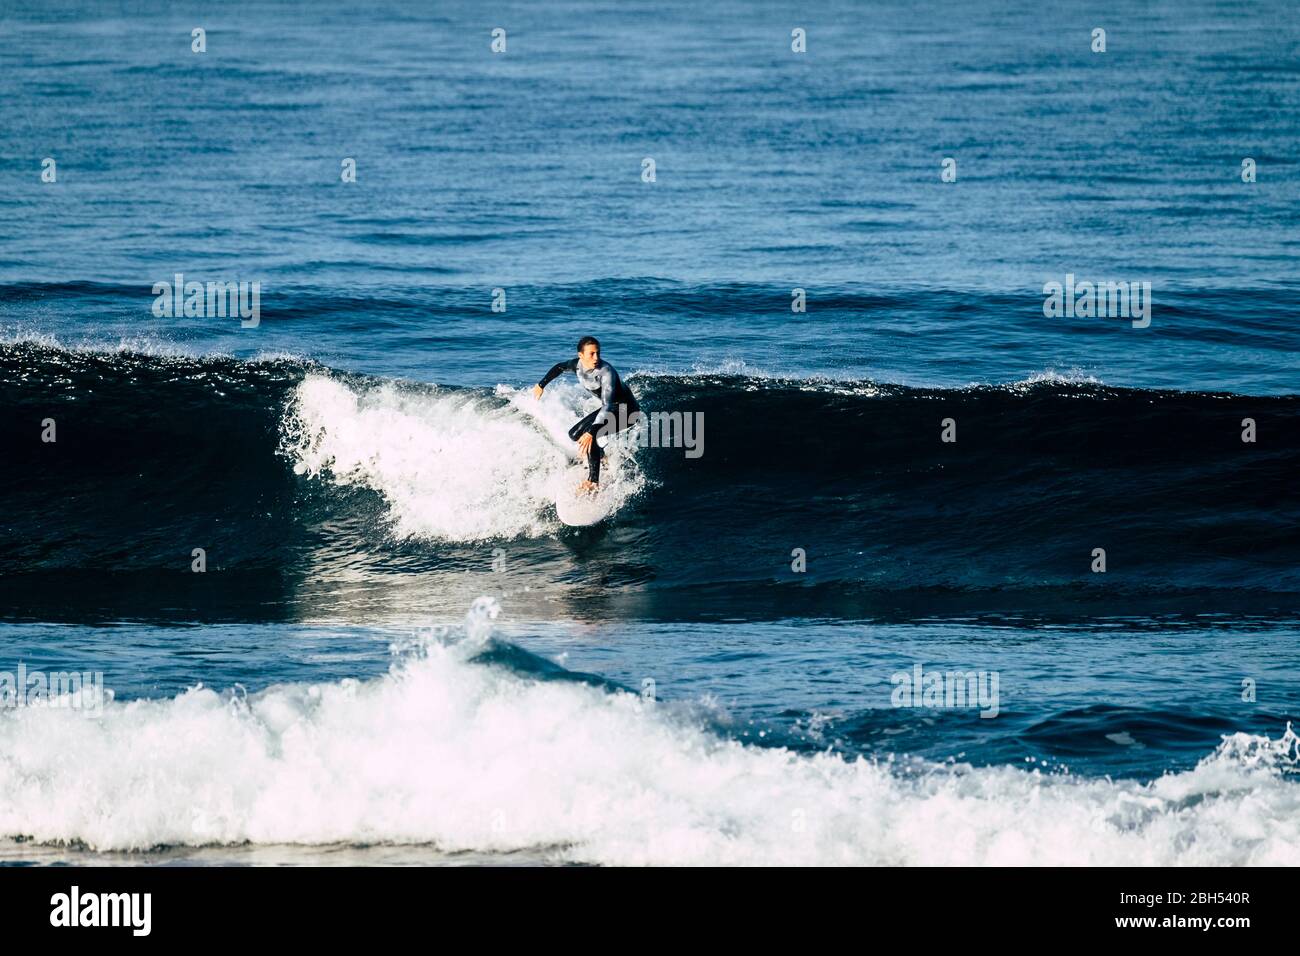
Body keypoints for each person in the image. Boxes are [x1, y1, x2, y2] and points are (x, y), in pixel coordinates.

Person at [533, 336, 640, 492]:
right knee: (574, 434)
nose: (596, 358)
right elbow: (559, 367)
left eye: (598, 353)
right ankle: (601, 458)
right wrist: (541, 385)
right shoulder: (576, 365)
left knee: (592, 436)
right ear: (580, 355)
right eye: (591, 354)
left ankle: (593, 482)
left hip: (627, 411)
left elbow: (607, 405)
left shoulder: (606, 373)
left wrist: (591, 432)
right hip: (611, 409)